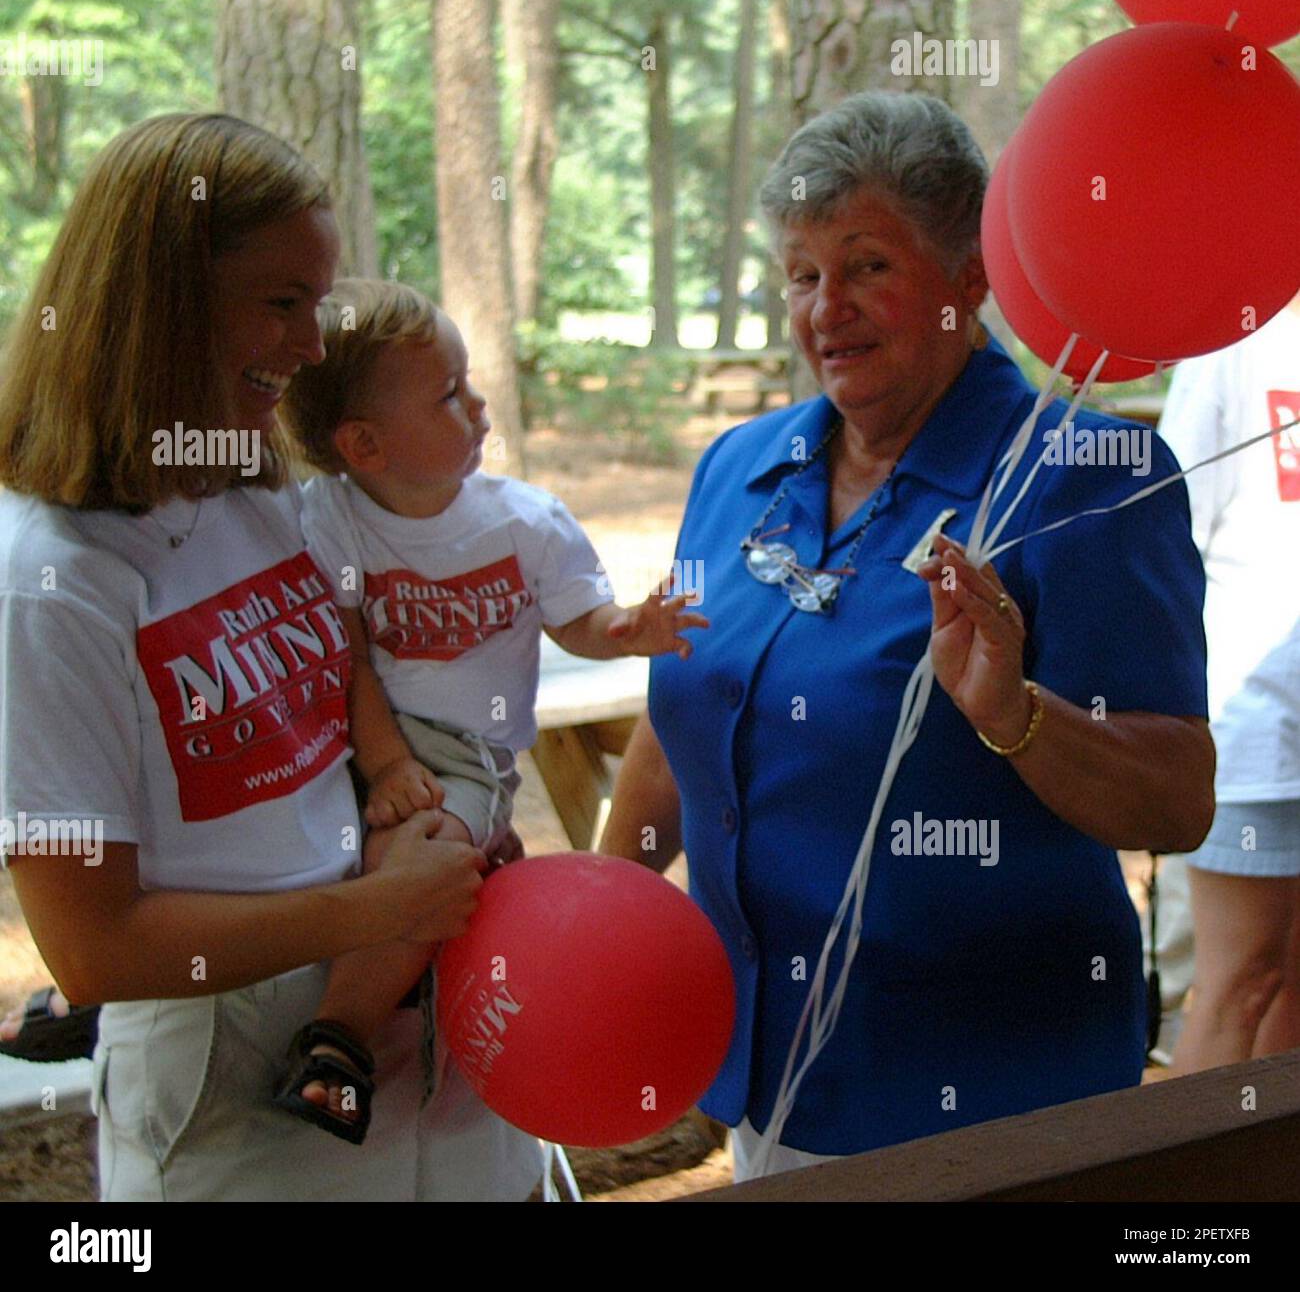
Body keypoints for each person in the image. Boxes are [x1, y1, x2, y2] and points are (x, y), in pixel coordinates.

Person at [599, 89, 1216, 1179]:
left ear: (969, 277)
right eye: (800, 273)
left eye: (867, 265)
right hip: (768, 1077)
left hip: (991, 1106)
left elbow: (1175, 800)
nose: (824, 306)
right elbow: (677, 706)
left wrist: (1012, 715)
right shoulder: (737, 469)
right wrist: (601, 918)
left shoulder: (1083, 479)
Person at [0, 113, 537, 1200]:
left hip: (419, 1017)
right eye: (283, 304)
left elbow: (333, 687)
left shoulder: (251, 486)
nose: (312, 347)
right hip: (239, 1103)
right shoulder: (49, 578)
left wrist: (424, 816)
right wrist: (377, 913)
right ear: (159, 307)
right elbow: (91, 949)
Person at [273, 277, 708, 1141]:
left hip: (465, 754)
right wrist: (386, 761)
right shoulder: (329, 520)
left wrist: (625, 628)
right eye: (447, 394)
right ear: (363, 444)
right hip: (350, 731)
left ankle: (338, 1041)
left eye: (468, 382)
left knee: (429, 863)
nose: (478, 406)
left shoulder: (523, 522)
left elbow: (580, 619)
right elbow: (346, 653)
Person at [1150, 300, 1300, 1074]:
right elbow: (1173, 525)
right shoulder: (1237, 339)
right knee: (1239, 983)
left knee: (1290, 985)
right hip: (1255, 722)